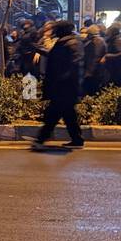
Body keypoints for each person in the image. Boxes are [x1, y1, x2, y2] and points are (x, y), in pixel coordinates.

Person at [31, 20, 84, 150]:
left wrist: (62, 79)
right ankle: (77, 140)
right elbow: (56, 57)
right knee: (68, 114)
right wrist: (40, 50)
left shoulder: (70, 43)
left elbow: (73, 63)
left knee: (53, 114)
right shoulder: (67, 41)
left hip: (64, 87)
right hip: (64, 86)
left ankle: (41, 139)